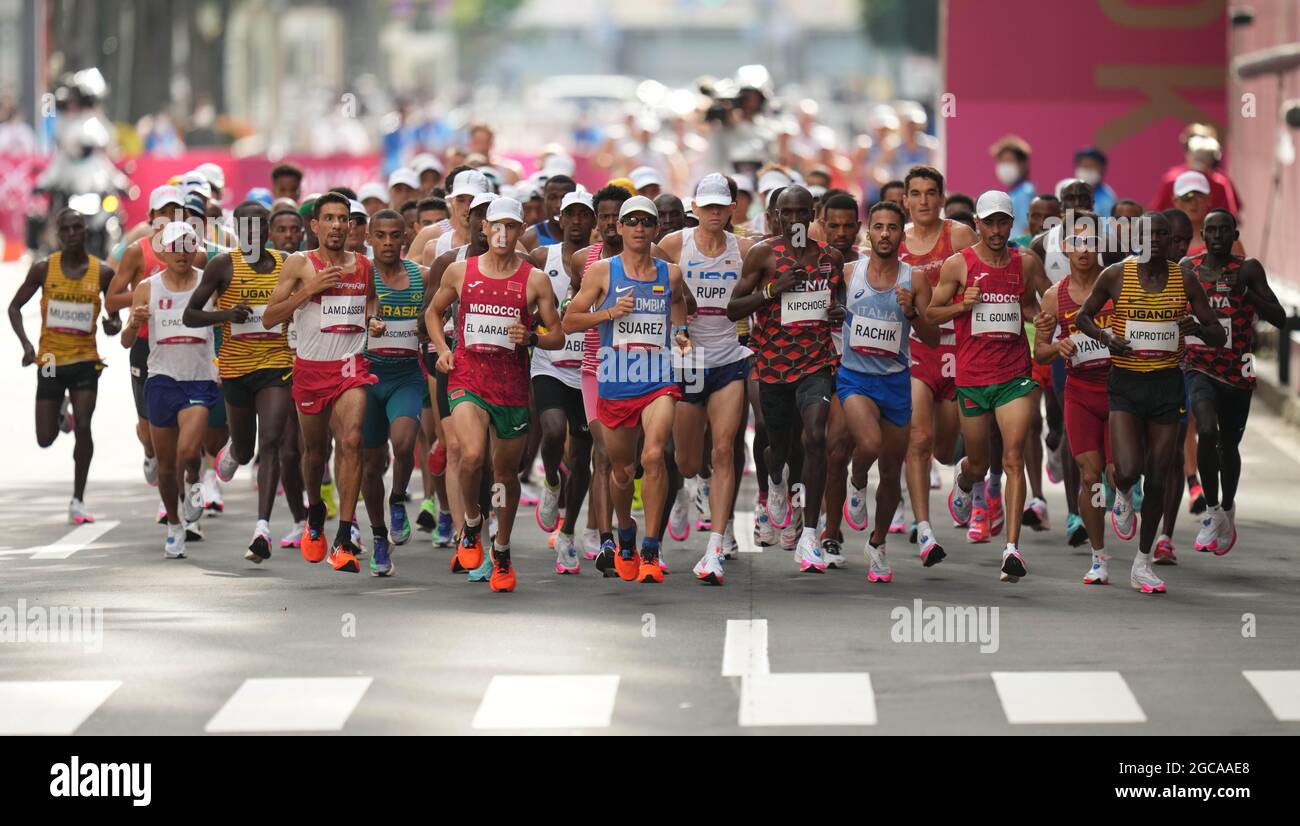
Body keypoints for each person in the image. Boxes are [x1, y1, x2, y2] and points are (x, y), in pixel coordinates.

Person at [1076, 211, 1225, 594]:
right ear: (1135, 238)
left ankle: (1142, 563)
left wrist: (1198, 328)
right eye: (1147, 234)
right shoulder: (1115, 275)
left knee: (1159, 474)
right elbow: (1083, 317)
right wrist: (1107, 338)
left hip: (1166, 385)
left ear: (1170, 238)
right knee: (1127, 468)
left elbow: (1217, 334)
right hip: (1125, 383)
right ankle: (1123, 493)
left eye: (1162, 234)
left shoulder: (1184, 279)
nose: (1155, 240)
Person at [428, 197, 565, 592]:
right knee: (470, 455)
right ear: (484, 228)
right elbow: (433, 313)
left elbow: (556, 334)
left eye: (512, 225)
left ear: (520, 231)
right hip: (468, 377)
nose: (503, 233)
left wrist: (533, 336)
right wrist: (442, 349)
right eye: (496, 225)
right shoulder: (460, 271)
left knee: (504, 473)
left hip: (511, 386)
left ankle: (501, 550)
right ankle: (471, 522)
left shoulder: (535, 279)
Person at [926, 190, 1053, 583]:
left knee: (1013, 457)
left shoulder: (1025, 262)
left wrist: (1044, 320)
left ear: (1011, 224)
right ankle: (964, 483)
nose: (996, 230)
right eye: (988, 222)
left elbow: (1041, 304)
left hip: (1014, 374)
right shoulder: (958, 264)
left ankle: (1012, 548)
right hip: (972, 378)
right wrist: (964, 305)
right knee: (978, 462)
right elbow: (931, 313)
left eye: (1002, 222)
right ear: (977, 224)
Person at [564, 195, 689, 584]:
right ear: (619, 227)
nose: (638, 228)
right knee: (622, 470)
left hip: (658, 379)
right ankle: (626, 531)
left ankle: (651, 547)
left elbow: (680, 303)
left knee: (654, 456)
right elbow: (569, 321)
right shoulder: (602, 272)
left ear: (655, 230)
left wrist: (680, 331)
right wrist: (608, 314)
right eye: (630, 221)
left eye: (645, 222)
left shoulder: (669, 274)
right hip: (615, 379)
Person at [728, 185, 845, 573]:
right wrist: (770, 290)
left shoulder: (830, 257)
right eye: (786, 212)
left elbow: (837, 298)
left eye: (801, 212)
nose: (794, 219)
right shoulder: (763, 253)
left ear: (812, 215)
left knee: (814, 437)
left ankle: (809, 534)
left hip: (816, 362)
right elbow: (733, 309)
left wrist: (837, 311)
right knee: (778, 445)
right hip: (773, 366)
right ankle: (776, 480)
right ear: (776, 216)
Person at [262, 192, 380, 572]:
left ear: (350, 225)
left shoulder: (363, 265)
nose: (336, 225)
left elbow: (371, 300)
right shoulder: (299, 264)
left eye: (342, 219)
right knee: (315, 454)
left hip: (350, 367)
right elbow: (269, 317)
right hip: (311, 369)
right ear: (314, 226)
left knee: (352, 440)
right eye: (328, 218)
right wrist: (309, 290)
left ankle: (344, 536)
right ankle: (315, 511)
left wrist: (372, 319)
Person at [183, 201, 296, 562]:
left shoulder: (285, 265)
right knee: (246, 450)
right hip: (235, 369)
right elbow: (190, 314)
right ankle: (232, 452)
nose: (253, 233)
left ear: (267, 229)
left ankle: (262, 528)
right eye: (245, 227)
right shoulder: (222, 265)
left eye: (260, 226)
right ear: (237, 230)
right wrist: (227, 314)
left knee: (273, 440)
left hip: (276, 364)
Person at [657, 174, 755, 584]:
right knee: (687, 460)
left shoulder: (747, 249)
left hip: (731, 359)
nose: (714, 213)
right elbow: (650, 291)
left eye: (722, 205)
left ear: (733, 207)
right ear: (694, 207)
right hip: (686, 362)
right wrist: (674, 325)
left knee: (723, 452)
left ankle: (714, 547)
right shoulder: (674, 245)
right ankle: (692, 485)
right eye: (707, 205)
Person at [839, 200, 939, 581]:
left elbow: (930, 338)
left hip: (895, 380)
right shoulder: (850, 273)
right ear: (869, 232)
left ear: (902, 233)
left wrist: (912, 312)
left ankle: (877, 543)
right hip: (855, 378)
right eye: (878, 227)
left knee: (892, 472)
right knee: (868, 445)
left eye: (892, 228)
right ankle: (857, 480)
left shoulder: (915, 280)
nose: (884, 234)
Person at [9, 208, 120, 524]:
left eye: (77, 228)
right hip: (49, 361)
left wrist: (112, 324)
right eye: (66, 229)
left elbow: (114, 314)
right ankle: (61, 415)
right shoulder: (44, 269)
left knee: (85, 427)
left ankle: (78, 499)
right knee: (44, 439)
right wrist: (27, 345)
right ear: (58, 234)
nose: (72, 234)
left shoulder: (102, 273)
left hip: (86, 360)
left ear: (86, 231)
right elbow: (14, 308)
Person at [1186, 209, 1285, 554]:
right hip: (1198, 367)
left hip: (1237, 372)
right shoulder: (1190, 270)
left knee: (1228, 447)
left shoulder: (1247, 268)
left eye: (1223, 230)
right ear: (1203, 233)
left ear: (1233, 233)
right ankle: (1211, 511)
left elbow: (1280, 318)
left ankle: (1228, 506)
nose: (1216, 236)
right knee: (1207, 431)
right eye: (1210, 229)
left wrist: (1249, 295)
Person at [121, 222, 218, 558]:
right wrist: (135, 321)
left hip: (198, 379)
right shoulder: (148, 288)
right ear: (161, 252)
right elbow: (125, 341)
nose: (181, 253)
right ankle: (174, 524)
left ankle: (194, 482)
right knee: (165, 465)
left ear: (197, 251)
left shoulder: (208, 286)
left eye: (188, 245)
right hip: (161, 378)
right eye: (174, 247)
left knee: (190, 451)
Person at [1033, 212, 1115, 583]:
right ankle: (1099, 557)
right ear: (1064, 247)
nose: (1085, 249)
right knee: (1090, 475)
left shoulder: (1118, 284)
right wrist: (1059, 345)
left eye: (1092, 241)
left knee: (1121, 473)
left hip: (1120, 393)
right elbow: (1040, 352)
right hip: (1079, 393)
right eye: (1077, 242)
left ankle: (1126, 494)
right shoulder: (1054, 296)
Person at [900, 166, 977, 564]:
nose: (924, 201)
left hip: (957, 348)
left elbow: (983, 279)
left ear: (942, 198)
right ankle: (926, 530)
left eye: (931, 193)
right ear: (905, 200)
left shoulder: (960, 236)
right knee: (918, 439)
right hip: (915, 349)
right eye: (916, 193)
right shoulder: (894, 239)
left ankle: (964, 480)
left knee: (947, 451)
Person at [528, 190, 596, 573]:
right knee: (552, 432)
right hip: (550, 363)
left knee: (583, 455)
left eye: (583, 215)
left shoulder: (604, 263)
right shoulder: (543, 258)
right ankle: (551, 481)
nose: (576, 221)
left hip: (588, 368)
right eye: (570, 214)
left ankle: (568, 533)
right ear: (559, 218)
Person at [358, 209, 429, 576]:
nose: (388, 242)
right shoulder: (360, 277)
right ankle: (379, 536)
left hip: (405, 375)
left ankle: (398, 497)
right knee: (370, 464)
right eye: (380, 235)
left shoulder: (421, 276)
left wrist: (426, 327)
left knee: (403, 445)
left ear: (405, 237)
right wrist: (366, 322)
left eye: (395, 235)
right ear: (369, 237)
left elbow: (439, 314)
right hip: (367, 376)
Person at [990, 136, 1035, 238]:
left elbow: (1027, 231)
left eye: (1009, 161)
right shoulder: (1014, 193)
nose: (1005, 166)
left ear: (1023, 164)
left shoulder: (1025, 193)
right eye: (1001, 161)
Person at [521, 174, 577, 251]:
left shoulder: (590, 237)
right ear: (544, 201)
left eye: (565, 198)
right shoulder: (528, 238)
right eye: (552, 198)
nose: (559, 205)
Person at [1073, 147, 1117, 220]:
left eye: (1092, 166)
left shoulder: (1108, 199)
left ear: (1103, 170)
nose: (1087, 171)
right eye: (1084, 166)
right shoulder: (1065, 192)